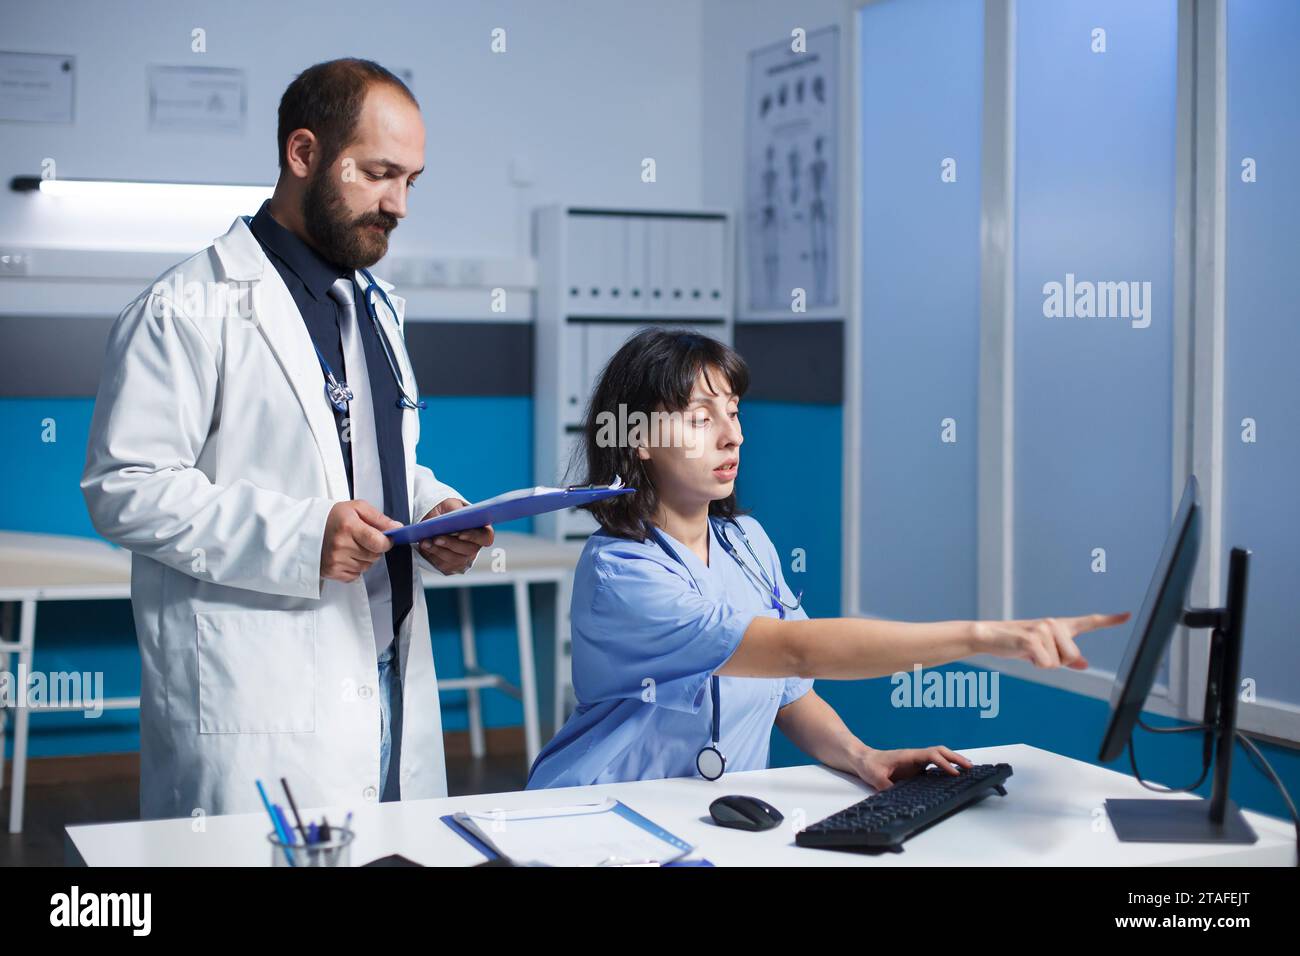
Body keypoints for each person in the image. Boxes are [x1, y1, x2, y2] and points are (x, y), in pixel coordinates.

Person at [81, 59, 491, 820]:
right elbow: (125, 489)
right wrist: (305, 539)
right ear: (303, 154)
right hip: (261, 687)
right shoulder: (187, 306)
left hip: (388, 667)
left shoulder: (373, 309)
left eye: (412, 180)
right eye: (377, 174)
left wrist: (433, 508)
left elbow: (363, 455)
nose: (399, 204)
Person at [526, 328, 1129, 790]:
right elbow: (795, 647)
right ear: (638, 438)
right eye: (699, 419)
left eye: (733, 413)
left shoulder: (747, 543)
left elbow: (789, 686)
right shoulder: (620, 571)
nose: (732, 435)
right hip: (604, 811)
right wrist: (983, 635)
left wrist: (863, 757)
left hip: (706, 814)